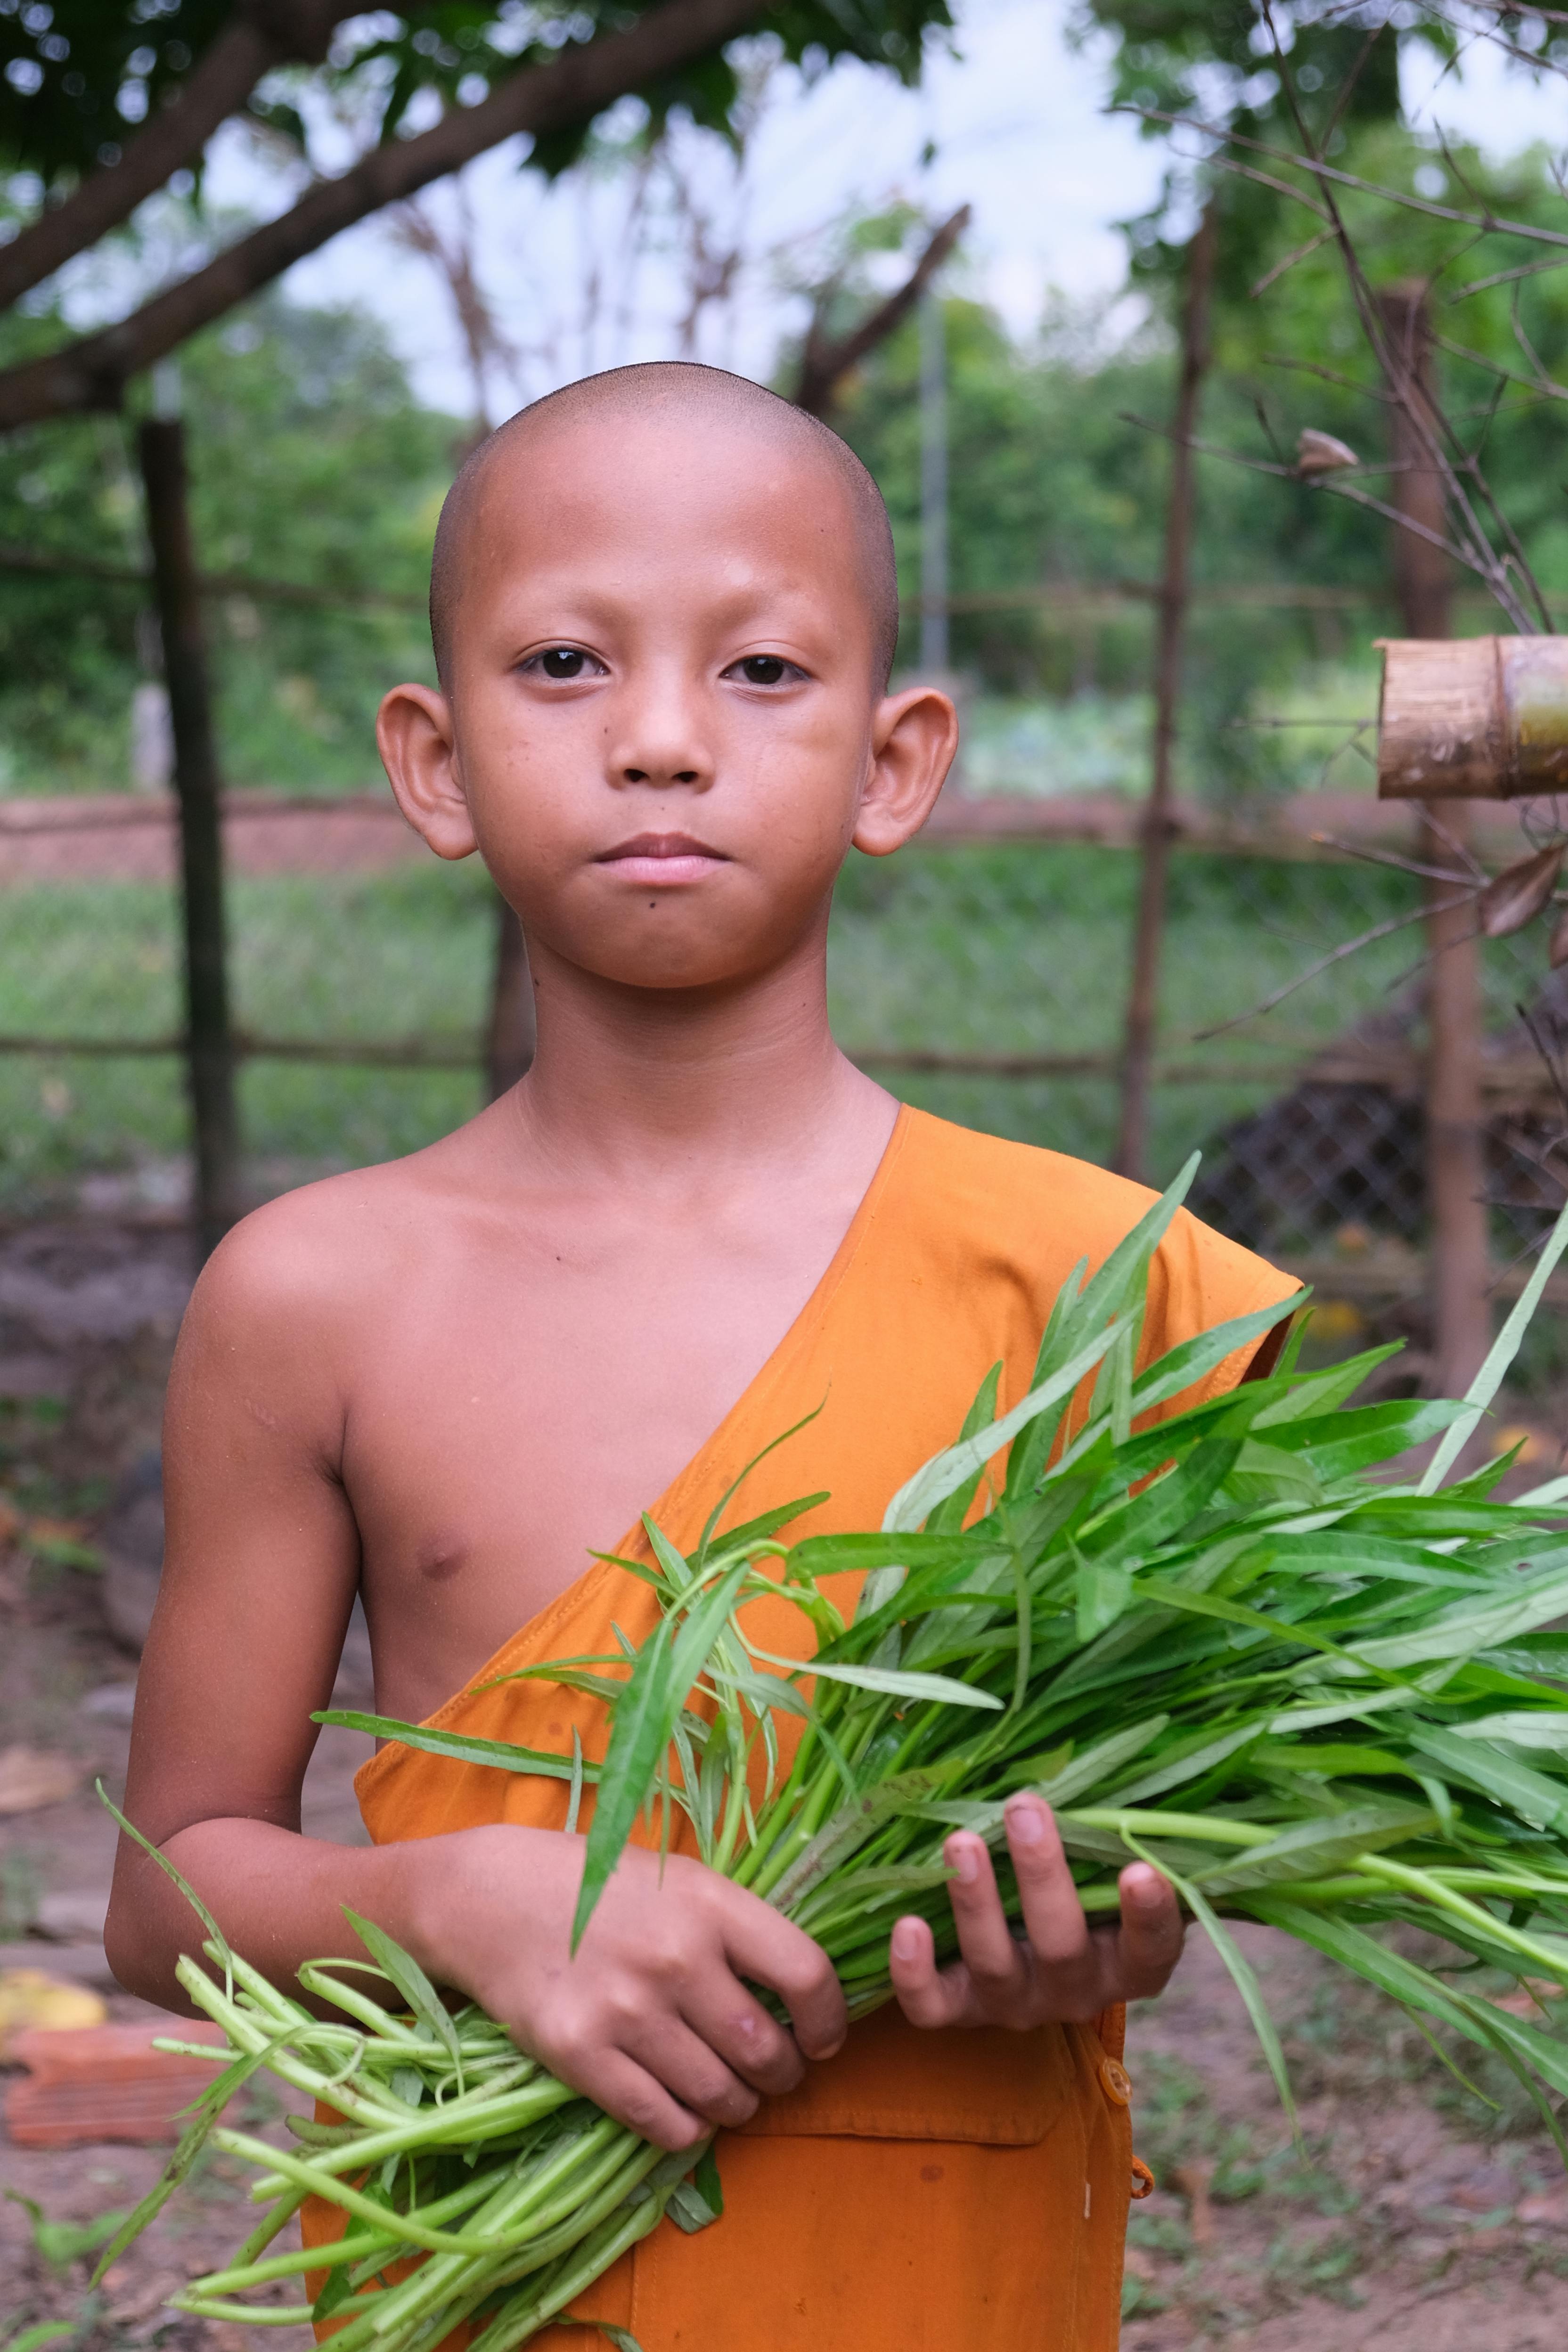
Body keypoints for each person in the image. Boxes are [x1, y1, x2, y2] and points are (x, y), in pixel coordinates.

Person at [106, 362, 1296, 2351]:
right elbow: (167, 1903)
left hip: (946, 2268)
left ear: (894, 760)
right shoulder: (319, 1294)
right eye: (564, 663)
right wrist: (450, 1904)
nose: (659, 741)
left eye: (758, 674)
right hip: (484, 2280)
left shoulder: (1096, 1288)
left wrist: (1104, 1925)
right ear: (433, 760)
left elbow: (1187, 1839)